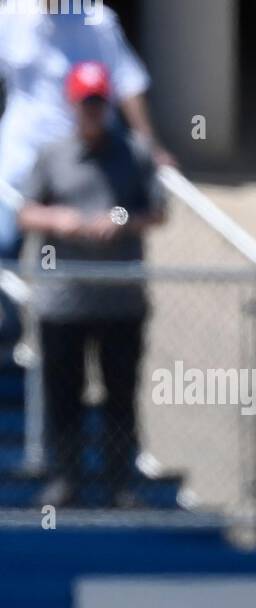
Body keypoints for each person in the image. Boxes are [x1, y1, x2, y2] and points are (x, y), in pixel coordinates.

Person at [17, 60, 165, 508]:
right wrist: (61, 221)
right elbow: (26, 211)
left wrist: (116, 220)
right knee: (64, 393)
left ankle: (121, 483)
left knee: (120, 394)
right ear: (72, 104)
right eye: (86, 105)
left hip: (120, 301)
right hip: (63, 301)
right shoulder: (53, 155)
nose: (93, 113)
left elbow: (155, 211)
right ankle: (65, 480)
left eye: (100, 104)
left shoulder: (134, 152)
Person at [0, 5, 172, 354]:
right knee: (4, 247)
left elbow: (153, 212)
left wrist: (150, 146)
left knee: (93, 252)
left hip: (84, 165)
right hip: (20, 160)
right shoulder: (11, 14)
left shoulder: (97, 19)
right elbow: (29, 215)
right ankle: (9, 339)